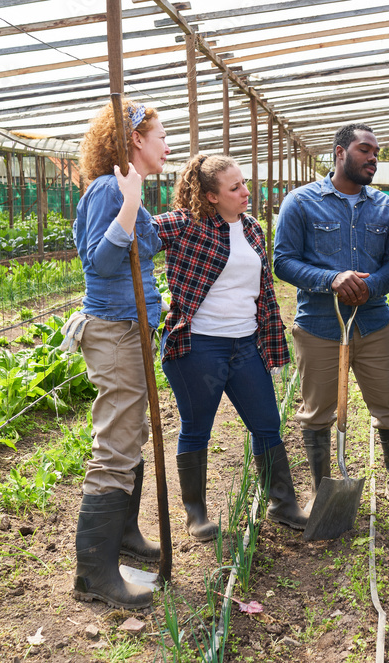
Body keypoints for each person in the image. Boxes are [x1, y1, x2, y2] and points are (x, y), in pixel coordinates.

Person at [154, 154, 308, 543]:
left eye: (244, 183)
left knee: (267, 423)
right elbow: (136, 233)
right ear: (209, 197)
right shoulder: (187, 225)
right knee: (196, 429)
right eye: (235, 187)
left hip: (245, 344)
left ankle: (283, 503)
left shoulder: (253, 228)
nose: (246, 192)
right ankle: (196, 515)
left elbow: (262, 291)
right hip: (199, 346)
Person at [274, 123, 389, 517]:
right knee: (317, 413)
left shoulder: (386, 208)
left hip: (372, 324)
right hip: (319, 325)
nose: (373, 158)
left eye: (376, 152)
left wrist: (372, 288)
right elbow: (282, 261)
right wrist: (331, 279)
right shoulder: (300, 203)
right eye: (365, 150)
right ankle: (323, 491)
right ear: (339, 153)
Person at [70, 98, 169, 609]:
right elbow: (100, 262)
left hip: (133, 327)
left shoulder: (128, 189)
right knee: (115, 445)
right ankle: (94, 575)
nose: (165, 144)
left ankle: (124, 538)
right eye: (159, 135)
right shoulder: (112, 188)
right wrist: (130, 203)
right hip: (113, 329)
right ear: (135, 139)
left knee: (131, 435)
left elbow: (148, 246)